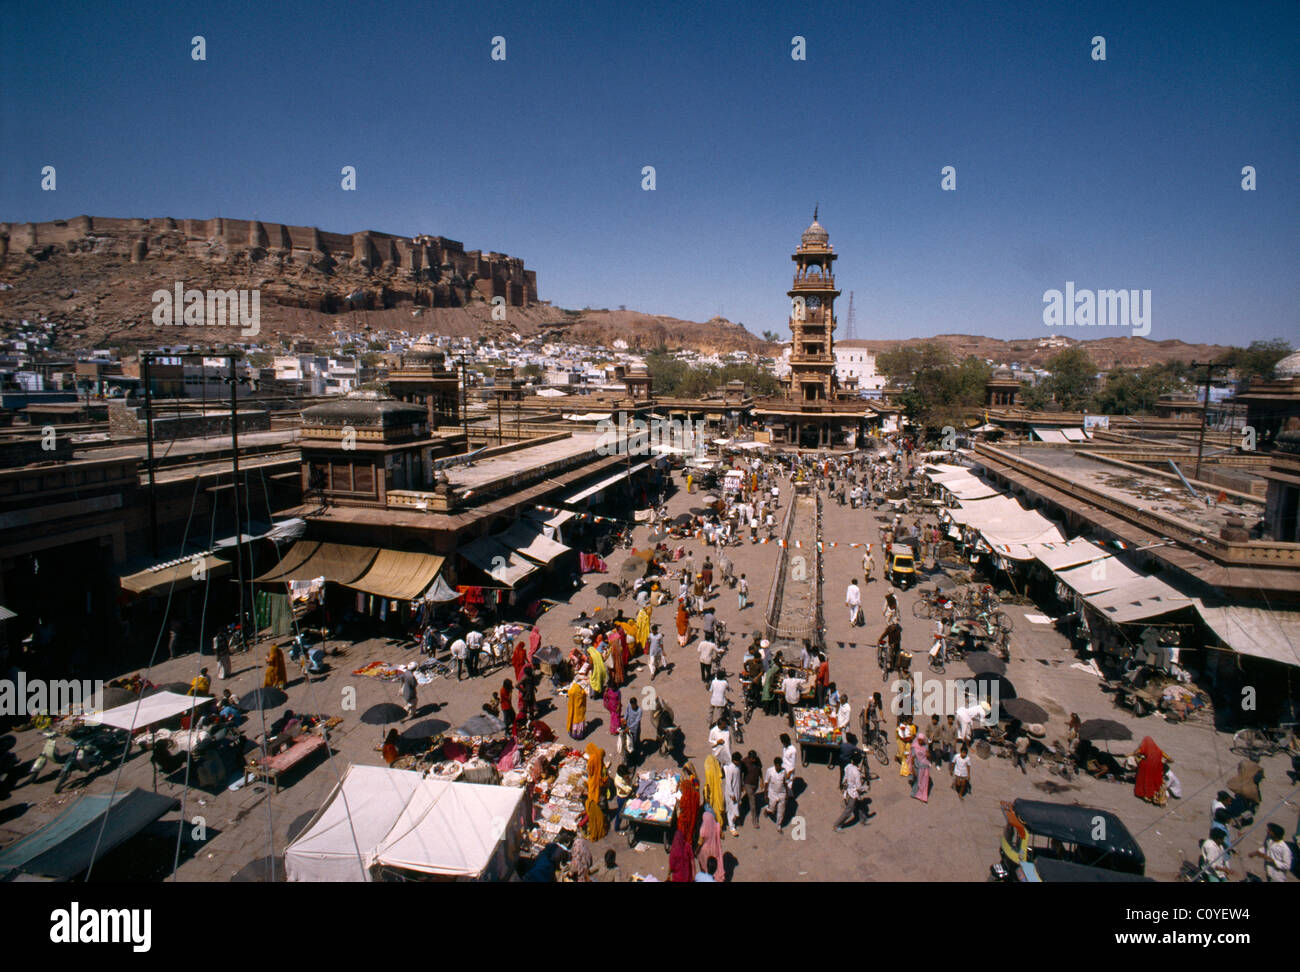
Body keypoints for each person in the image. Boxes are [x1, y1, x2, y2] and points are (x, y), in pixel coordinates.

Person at [834, 750, 867, 832]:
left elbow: (845, 777)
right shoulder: (857, 773)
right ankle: (837, 825)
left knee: (860, 805)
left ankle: (862, 820)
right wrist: (865, 788)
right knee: (849, 810)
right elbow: (859, 787)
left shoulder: (848, 766)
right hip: (853, 793)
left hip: (848, 789)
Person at [1132, 736, 1169, 805]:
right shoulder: (1158, 750)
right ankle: (1153, 796)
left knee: (1144, 779)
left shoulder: (1144, 748)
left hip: (1146, 768)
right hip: (1157, 769)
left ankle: (1145, 795)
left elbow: (1135, 753)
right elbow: (1170, 759)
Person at [764, 756, 788, 833]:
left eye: (780, 765)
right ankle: (767, 809)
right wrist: (765, 794)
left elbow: (785, 783)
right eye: (777, 765)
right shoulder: (770, 771)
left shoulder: (784, 771)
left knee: (781, 810)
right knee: (772, 808)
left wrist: (787, 793)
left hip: (782, 793)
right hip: (772, 793)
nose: (779, 767)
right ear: (774, 765)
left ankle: (779, 825)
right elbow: (766, 783)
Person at [741, 750, 763, 829]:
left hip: (755, 783)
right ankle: (755, 820)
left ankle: (743, 801)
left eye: (754, 758)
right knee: (753, 803)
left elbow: (760, 770)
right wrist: (741, 784)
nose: (754, 760)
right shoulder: (744, 762)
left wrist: (762, 780)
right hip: (748, 783)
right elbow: (740, 773)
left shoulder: (757, 761)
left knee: (750, 796)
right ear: (749, 758)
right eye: (752, 759)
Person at [723, 750, 742, 836]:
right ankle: (732, 827)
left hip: (737, 790)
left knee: (735, 808)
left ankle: (733, 821)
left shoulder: (738, 767)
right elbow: (728, 783)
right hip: (732, 793)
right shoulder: (731, 769)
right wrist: (732, 794)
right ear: (734, 760)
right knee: (731, 810)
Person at [612, 764, 634, 833]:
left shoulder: (624, 776)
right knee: (620, 813)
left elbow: (629, 781)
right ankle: (617, 828)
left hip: (628, 794)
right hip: (622, 798)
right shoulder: (618, 781)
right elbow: (627, 789)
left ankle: (632, 824)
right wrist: (631, 787)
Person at [911, 733, 931, 802]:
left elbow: (928, 755)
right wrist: (912, 768)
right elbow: (912, 758)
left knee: (925, 780)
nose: (920, 741)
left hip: (925, 766)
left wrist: (928, 755)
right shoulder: (914, 747)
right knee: (918, 780)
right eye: (919, 740)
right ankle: (914, 793)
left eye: (921, 740)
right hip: (917, 766)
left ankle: (923, 796)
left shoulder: (926, 746)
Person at [625, 696, 643, 763]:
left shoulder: (639, 711)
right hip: (628, 726)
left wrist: (629, 727)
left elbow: (637, 722)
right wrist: (624, 719)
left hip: (635, 729)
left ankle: (635, 756)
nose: (632, 707)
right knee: (629, 741)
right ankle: (629, 753)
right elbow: (627, 712)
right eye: (632, 705)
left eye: (633, 705)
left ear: (636, 704)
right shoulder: (629, 705)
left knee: (635, 743)